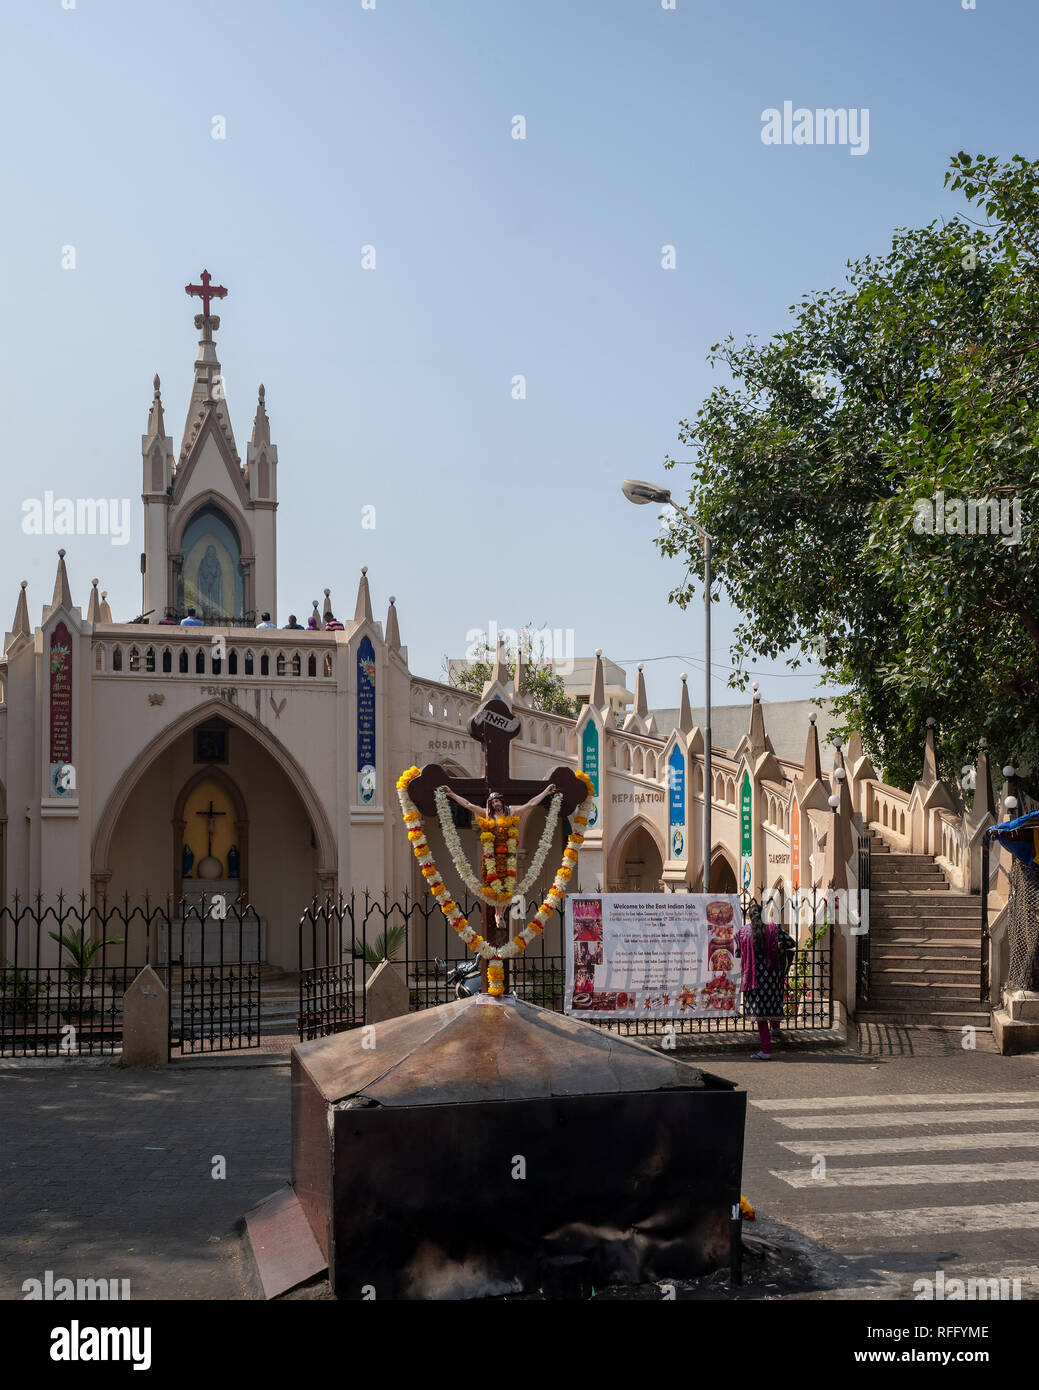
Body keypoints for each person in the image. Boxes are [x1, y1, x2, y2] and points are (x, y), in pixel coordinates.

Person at [735, 901, 795, 1060]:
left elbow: (737, 953)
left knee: (760, 1016)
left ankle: (766, 1050)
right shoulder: (774, 929)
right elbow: (791, 943)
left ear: (749, 916)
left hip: (754, 980)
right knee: (772, 1006)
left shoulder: (743, 932)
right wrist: (778, 945)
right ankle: (775, 1029)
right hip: (772, 979)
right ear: (762, 915)